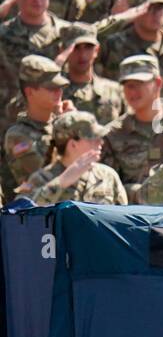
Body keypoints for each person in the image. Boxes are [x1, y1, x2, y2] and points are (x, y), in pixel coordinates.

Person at [100, 54, 163, 202]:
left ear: (158, 83)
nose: (133, 92)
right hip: (134, 218)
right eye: (128, 85)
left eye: (139, 84)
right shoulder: (113, 134)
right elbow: (107, 186)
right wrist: (136, 192)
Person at [14, 109, 126, 205]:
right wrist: (62, 182)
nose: (101, 142)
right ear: (73, 144)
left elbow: (124, 216)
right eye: (93, 138)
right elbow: (22, 215)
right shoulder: (41, 178)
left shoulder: (107, 175)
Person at [1, 54, 65, 201]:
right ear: (30, 92)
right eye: (51, 87)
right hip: (38, 214)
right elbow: (44, 181)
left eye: (60, 86)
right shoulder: (17, 136)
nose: (59, 92)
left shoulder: (61, 122)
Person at [57, 21, 124, 125]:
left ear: (97, 50)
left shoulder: (115, 91)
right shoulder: (55, 93)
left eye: (88, 47)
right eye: (76, 48)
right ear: (63, 50)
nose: (82, 55)